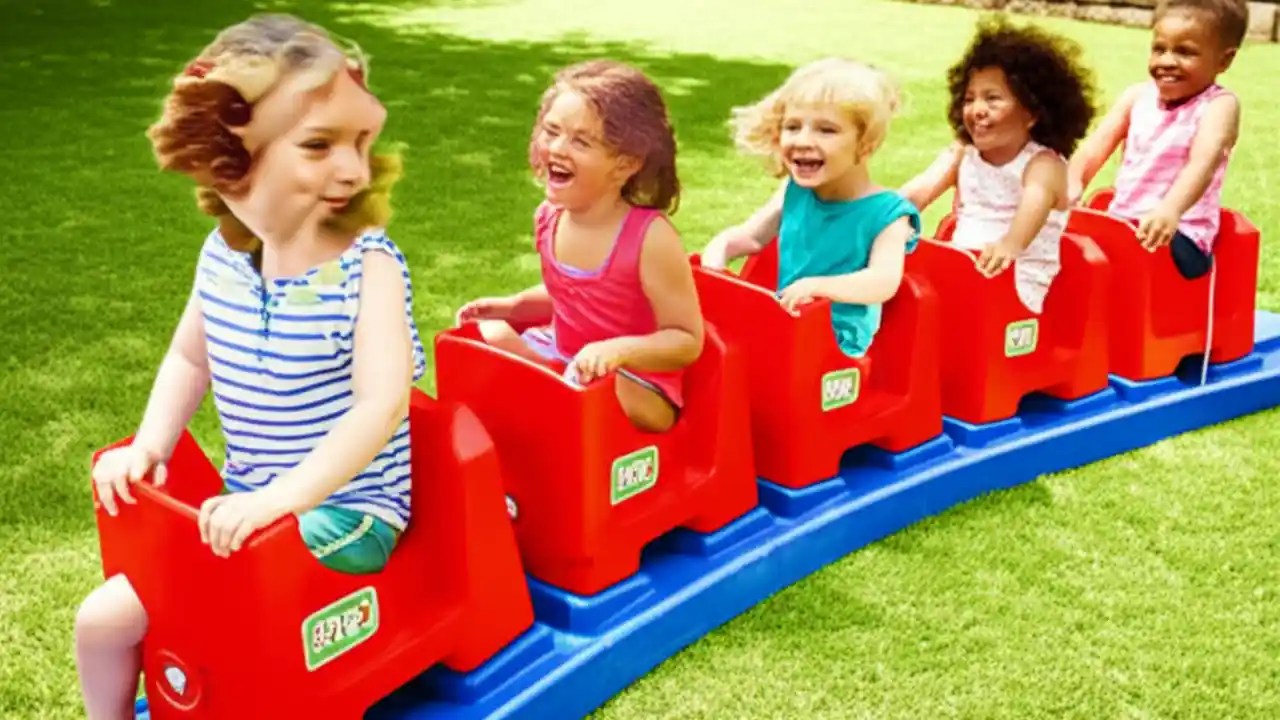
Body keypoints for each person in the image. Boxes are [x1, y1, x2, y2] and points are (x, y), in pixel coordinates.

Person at [75, 15, 425, 718]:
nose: (354, 170)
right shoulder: (224, 257)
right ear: (225, 156)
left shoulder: (370, 268)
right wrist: (151, 446)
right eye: (319, 145)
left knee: (221, 599)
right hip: (247, 505)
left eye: (360, 143)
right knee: (102, 620)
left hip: (349, 512)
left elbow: (380, 405)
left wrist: (281, 500)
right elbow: (188, 355)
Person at [455, 60, 703, 433]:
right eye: (551, 131)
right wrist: (513, 306)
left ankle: (553, 392)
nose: (557, 148)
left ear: (625, 164)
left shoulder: (650, 238)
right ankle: (549, 388)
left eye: (581, 141)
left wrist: (617, 352)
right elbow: (573, 296)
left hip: (635, 381)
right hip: (564, 353)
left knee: (592, 386)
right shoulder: (550, 217)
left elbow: (687, 341)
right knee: (487, 333)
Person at [701, 57, 920, 358]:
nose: (803, 140)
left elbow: (883, 281)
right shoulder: (795, 190)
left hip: (838, 351)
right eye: (793, 127)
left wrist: (818, 287)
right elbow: (751, 237)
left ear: (865, 144)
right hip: (786, 327)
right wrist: (719, 250)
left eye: (826, 130)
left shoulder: (889, 214)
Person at [900, 15, 1096, 313]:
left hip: (1015, 285)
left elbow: (1034, 203)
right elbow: (920, 190)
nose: (977, 110)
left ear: (1033, 112)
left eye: (992, 99)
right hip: (965, 270)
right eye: (969, 99)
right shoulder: (964, 154)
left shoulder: (1043, 165)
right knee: (907, 291)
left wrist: (1010, 245)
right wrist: (884, 215)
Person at [1067, 0, 1247, 279]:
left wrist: (1170, 210)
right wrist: (1071, 182)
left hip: (1180, 232)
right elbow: (1095, 147)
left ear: (1224, 60)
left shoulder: (1218, 106)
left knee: (1119, 257)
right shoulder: (1137, 97)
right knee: (1067, 244)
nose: (1167, 61)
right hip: (1122, 225)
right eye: (1159, 49)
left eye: (1185, 52)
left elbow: (1202, 164)